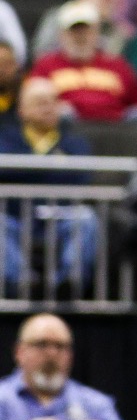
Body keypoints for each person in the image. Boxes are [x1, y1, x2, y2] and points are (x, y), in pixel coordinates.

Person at [0, 79, 99, 292]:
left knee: (86, 219)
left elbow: (81, 177)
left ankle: (67, 284)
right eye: (40, 102)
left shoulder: (75, 142)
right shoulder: (5, 139)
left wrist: (24, 168)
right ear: (22, 110)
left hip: (61, 216)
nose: (48, 108)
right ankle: (22, 283)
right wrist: (52, 166)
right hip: (15, 217)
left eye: (53, 102)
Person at [0, 314, 122, 420]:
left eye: (60, 346)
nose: (51, 354)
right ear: (19, 352)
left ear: (71, 355)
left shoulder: (97, 406)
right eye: (42, 344)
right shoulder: (3, 400)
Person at [29, 0, 137, 121]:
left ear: (97, 32)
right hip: (67, 128)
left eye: (85, 30)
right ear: (61, 34)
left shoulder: (117, 65)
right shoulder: (46, 65)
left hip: (116, 127)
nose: (80, 36)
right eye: (74, 30)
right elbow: (32, 103)